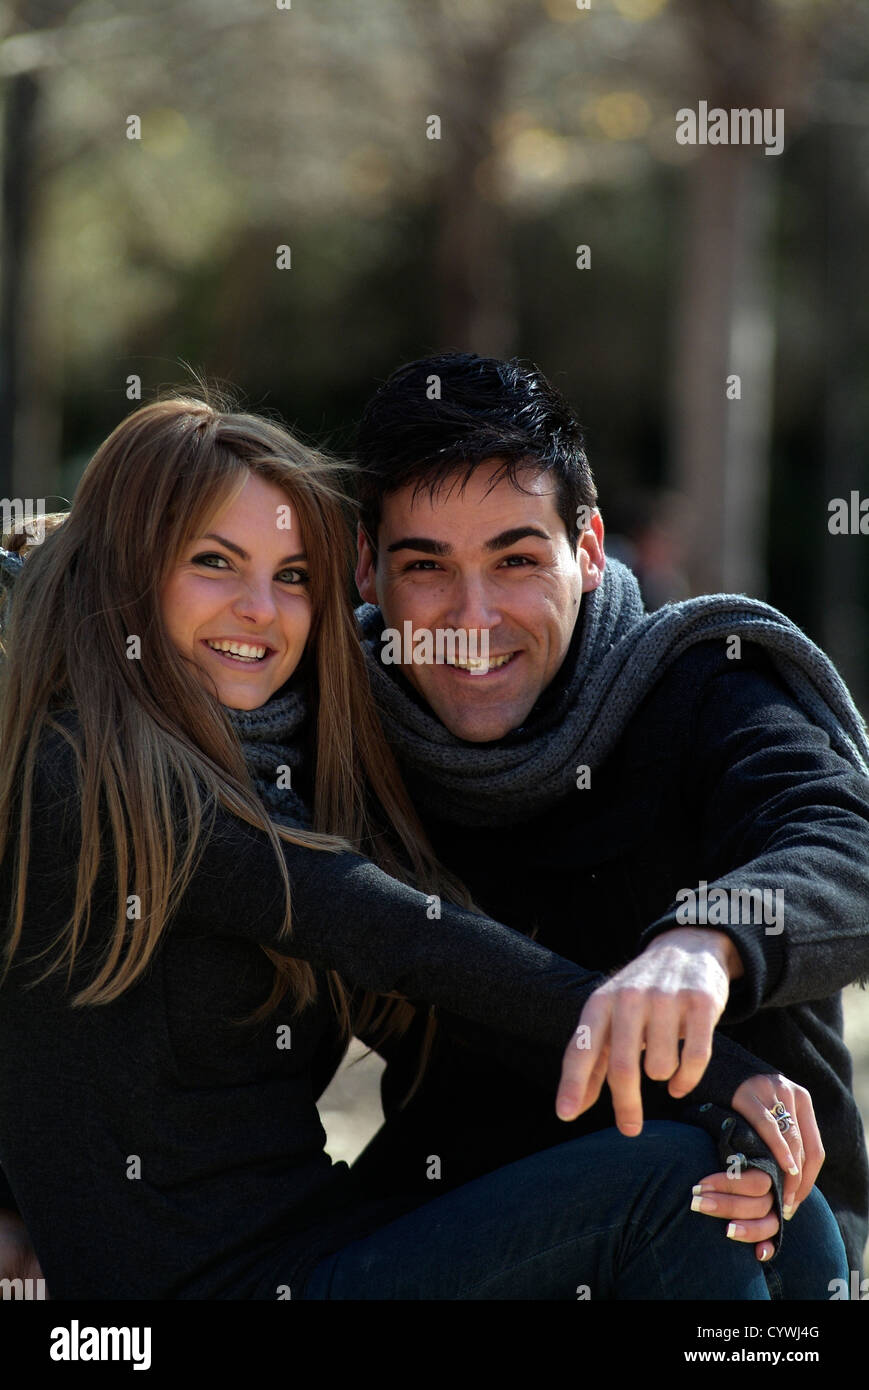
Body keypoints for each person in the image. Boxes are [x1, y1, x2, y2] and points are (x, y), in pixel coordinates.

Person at [0, 395, 825, 1301]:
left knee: (774, 1208)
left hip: (318, 1235)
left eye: (293, 576)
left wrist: (712, 1088)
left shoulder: (277, 755)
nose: (259, 610)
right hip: (217, 1290)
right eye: (212, 563)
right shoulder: (78, 770)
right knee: (681, 1189)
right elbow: (405, 939)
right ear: (126, 571)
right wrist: (727, 1077)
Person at [344, 351, 869, 1292]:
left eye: (514, 559)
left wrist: (708, 941)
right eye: (426, 567)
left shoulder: (707, 683)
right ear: (367, 571)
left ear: (588, 551)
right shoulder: (343, 731)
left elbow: (842, 839)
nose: (472, 618)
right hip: (471, 1239)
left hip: (753, 1246)